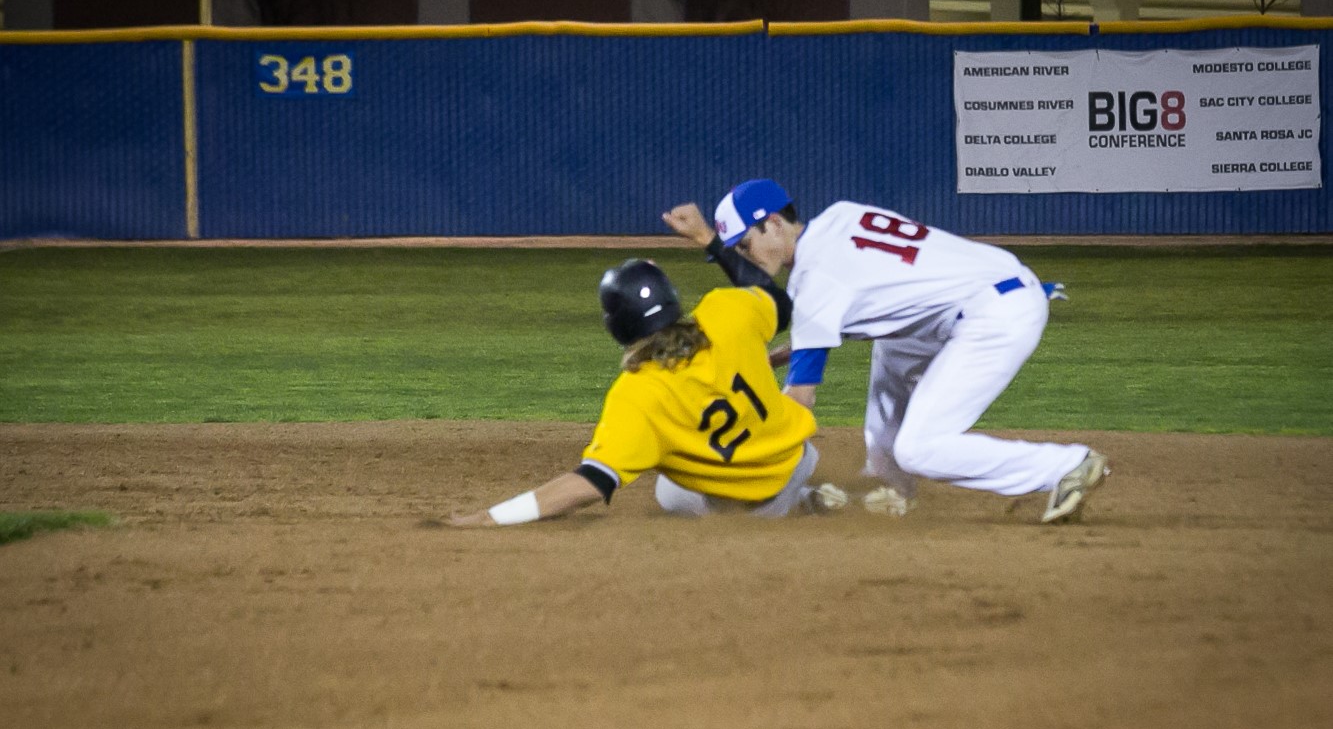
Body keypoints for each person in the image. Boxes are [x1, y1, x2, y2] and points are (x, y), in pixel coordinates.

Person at [662, 179, 1109, 524]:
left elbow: (800, 399)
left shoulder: (817, 280)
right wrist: (775, 354)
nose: (749, 255)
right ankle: (892, 484)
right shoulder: (840, 218)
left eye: (747, 244)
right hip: (976, 294)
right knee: (891, 354)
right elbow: (840, 308)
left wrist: (751, 454)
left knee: (921, 447)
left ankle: (1065, 464)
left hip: (993, 316)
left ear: (774, 222)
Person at [448, 257, 847, 527]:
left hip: (753, 509)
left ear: (617, 327)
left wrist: (491, 517)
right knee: (783, 395)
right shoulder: (728, 310)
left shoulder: (636, 396)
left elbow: (590, 483)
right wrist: (762, 358)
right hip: (798, 457)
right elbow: (781, 301)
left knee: (669, 489)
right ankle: (809, 493)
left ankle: (797, 503)